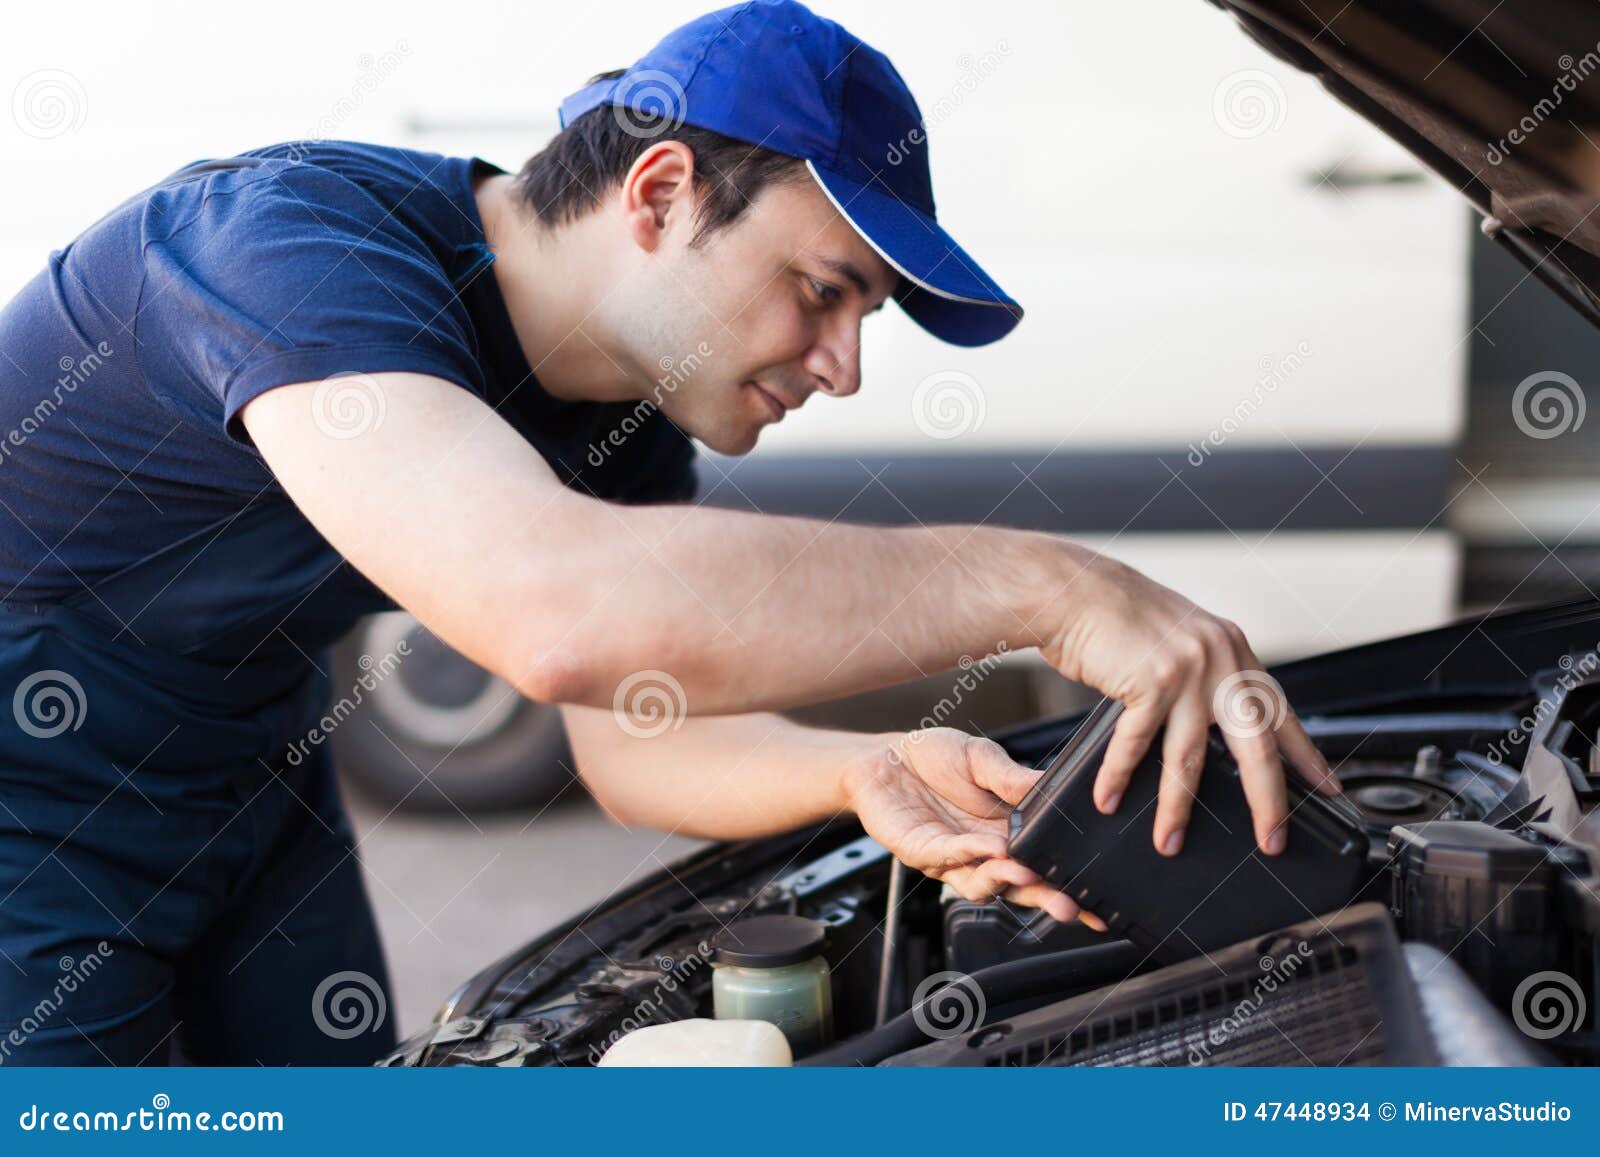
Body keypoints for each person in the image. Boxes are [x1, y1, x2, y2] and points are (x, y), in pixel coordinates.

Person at [0, 0, 1337, 1065]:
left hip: (247, 778)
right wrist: (1049, 584)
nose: (844, 366)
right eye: (826, 291)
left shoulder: (625, 427)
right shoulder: (285, 253)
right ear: (659, 192)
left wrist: (868, 768)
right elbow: (557, 613)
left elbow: (636, 734)